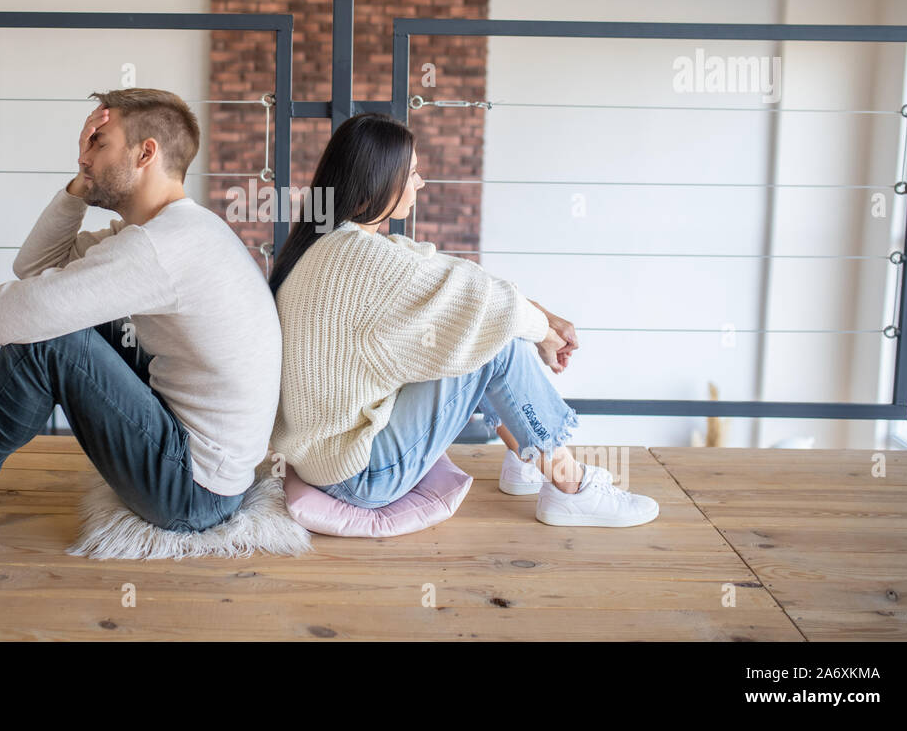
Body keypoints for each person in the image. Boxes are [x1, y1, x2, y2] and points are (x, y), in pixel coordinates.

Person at [0, 88, 283, 552]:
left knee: (47, 338)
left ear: (146, 153)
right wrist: (80, 183)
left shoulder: (160, 248)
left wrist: (28, 314)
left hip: (192, 492)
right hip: (208, 470)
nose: (87, 156)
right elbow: (36, 266)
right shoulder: (167, 231)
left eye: (100, 144)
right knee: (61, 323)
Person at [268, 112, 658, 528]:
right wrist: (544, 333)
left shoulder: (329, 244)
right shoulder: (363, 262)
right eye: (413, 172)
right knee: (494, 338)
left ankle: (524, 459)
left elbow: (461, 279)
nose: (420, 183)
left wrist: (544, 317)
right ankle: (571, 486)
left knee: (474, 325)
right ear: (379, 179)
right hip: (360, 476)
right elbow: (479, 304)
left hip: (322, 461)